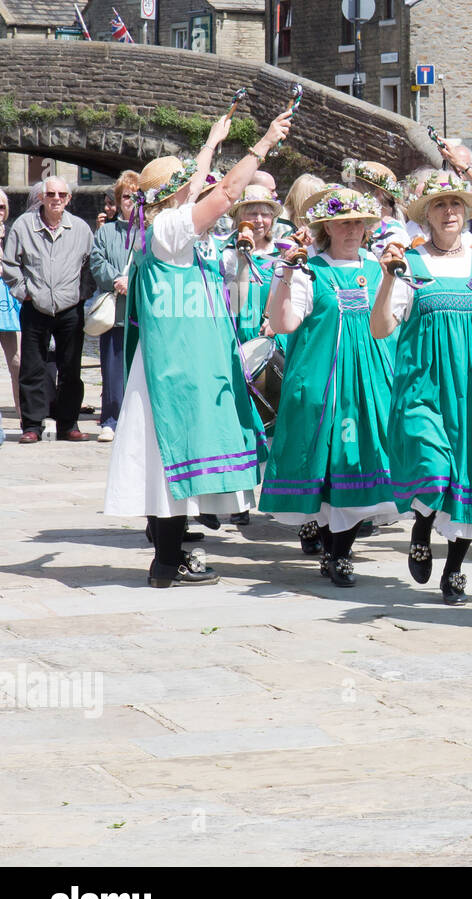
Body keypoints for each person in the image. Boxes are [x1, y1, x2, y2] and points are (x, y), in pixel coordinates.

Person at [103, 108, 294, 587]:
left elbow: (206, 188)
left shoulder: (177, 234)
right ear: (174, 196)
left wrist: (211, 140)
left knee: (178, 462)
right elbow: (227, 191)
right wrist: (264, 143)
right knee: (171, 462)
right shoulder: (168, 232)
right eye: (192, 187)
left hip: (186, 363)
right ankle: (166, 562)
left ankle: (171, 557)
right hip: (175, 368)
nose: (205, 192)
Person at [261, 187, 398, 587]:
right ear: (326, 227)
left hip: (369, 383)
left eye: (359, 222)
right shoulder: (309, 269)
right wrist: (285, 272)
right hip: (321, 383)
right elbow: (284, 322)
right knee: (322, 466)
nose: (353, 229)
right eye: (343, 222)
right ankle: (328, 542)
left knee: (357, 462)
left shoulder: (378, 268)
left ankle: (339, 552)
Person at [370, 174, 472, 604]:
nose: (449, 212)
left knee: (468, 478)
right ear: (426, 215)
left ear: (465, 214)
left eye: (456, 205)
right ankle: (422, 526)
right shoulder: (410, 263)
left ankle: (456, 568)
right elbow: (380, 328)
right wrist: (388, 279)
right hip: (423, 383)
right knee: (433, 467)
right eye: (439, 206)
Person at [2, 175, 94, 443]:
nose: (56, 199)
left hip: (69, 307)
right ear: (41, 197)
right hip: (35, 306)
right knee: (32, 368)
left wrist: (82, 293)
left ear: (69, 199)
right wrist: (24, 292)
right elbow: (10, 263)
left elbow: (90, 263)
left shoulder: (80, 229)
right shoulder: (23, 226)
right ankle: (32, 425)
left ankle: (68, 424)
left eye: (61, 195)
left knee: (70, 369)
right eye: (51, 194)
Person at [87, 170, 139, 443]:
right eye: (126, 196)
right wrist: (117, 280)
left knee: (138, 368)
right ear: (118, 200)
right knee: (112, 367)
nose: (131, 202)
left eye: (136, 196)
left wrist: (133, 281)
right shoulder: (107, 232)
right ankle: (111, 419)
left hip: (141, 312)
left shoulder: (148, 233)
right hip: (115, 311)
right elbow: (97, 262)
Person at [222, 184, 283, 345]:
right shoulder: (226, 252)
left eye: (265, 214)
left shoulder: (280, 253)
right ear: (239, 218)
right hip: (232, 337)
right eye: (252, 214)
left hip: (272, 338)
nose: (259, 220)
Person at [0, 192, 22, 436]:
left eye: (2, 207)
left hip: (11, 305)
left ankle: (25, 418)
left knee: (18, 363)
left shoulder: (15, 233)